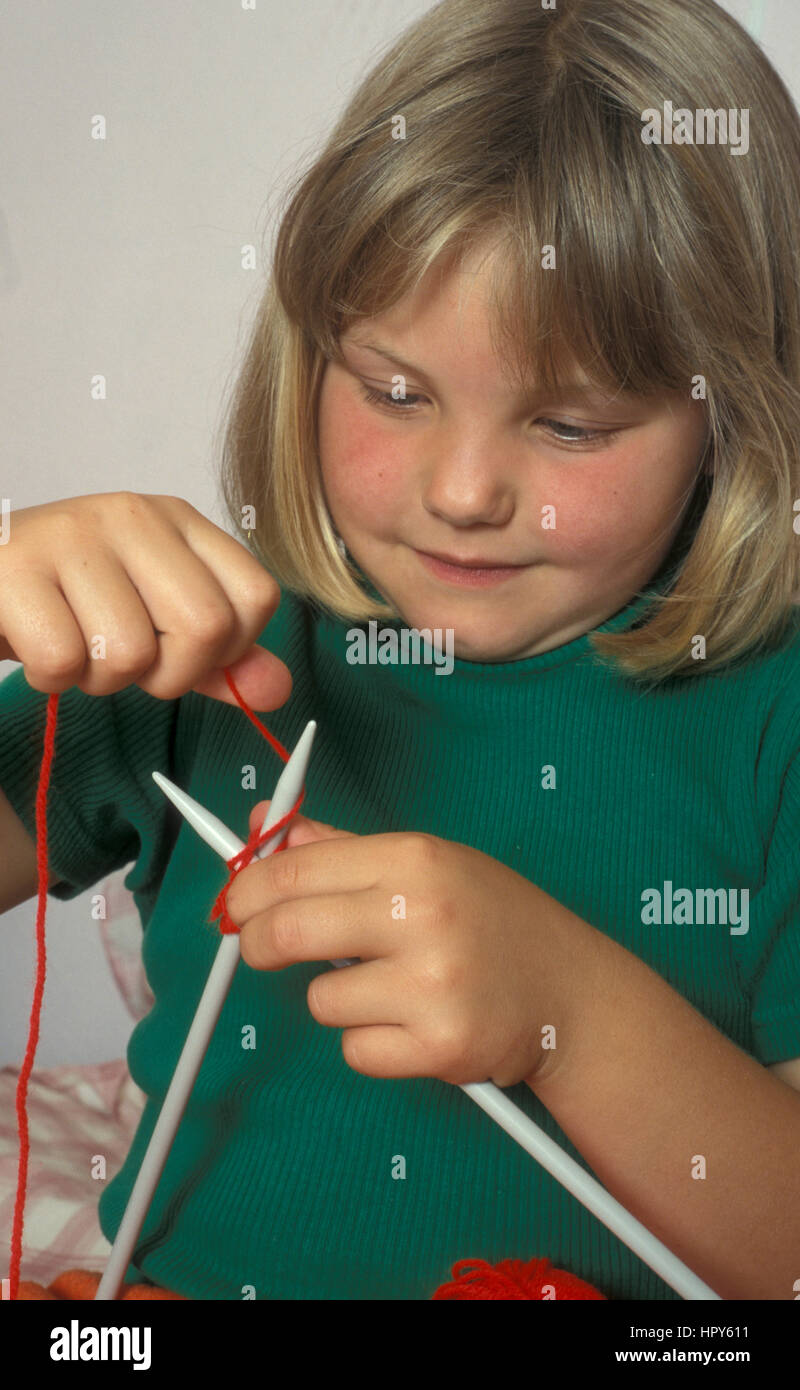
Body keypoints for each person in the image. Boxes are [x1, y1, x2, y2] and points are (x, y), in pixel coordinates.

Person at [1, 0, 800, 1301]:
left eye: (573, 423)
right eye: (394, 391)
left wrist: (564, 1014)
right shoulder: (210, 655)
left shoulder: (777, 723)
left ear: (736, 419)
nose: (465, 489)